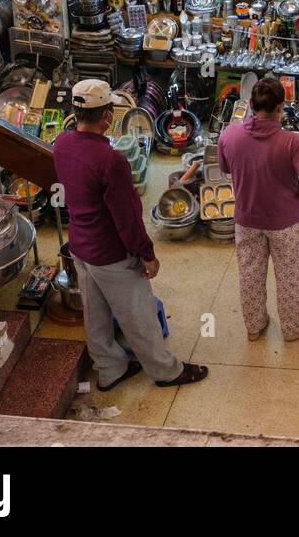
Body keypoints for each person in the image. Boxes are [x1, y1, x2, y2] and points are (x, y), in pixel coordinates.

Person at [53, 79, 207, 391]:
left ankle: (110, 369)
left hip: (80, 247)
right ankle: (166, 372)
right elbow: (127, 219)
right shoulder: (111, 161)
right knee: (139, 317)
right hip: (111, 253)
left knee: (95, 316)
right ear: (108, 115)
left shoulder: (62, 143)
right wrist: (146, 254)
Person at [218, 77, 299, 343]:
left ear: (251, 105)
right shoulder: (292, 142)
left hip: (247, 218)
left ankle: (254, 327)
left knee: (250, 272)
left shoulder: (229, 134)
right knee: (289, 275)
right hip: (286, 221)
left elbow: (224, 168)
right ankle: (292, 328)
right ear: (280, 107)